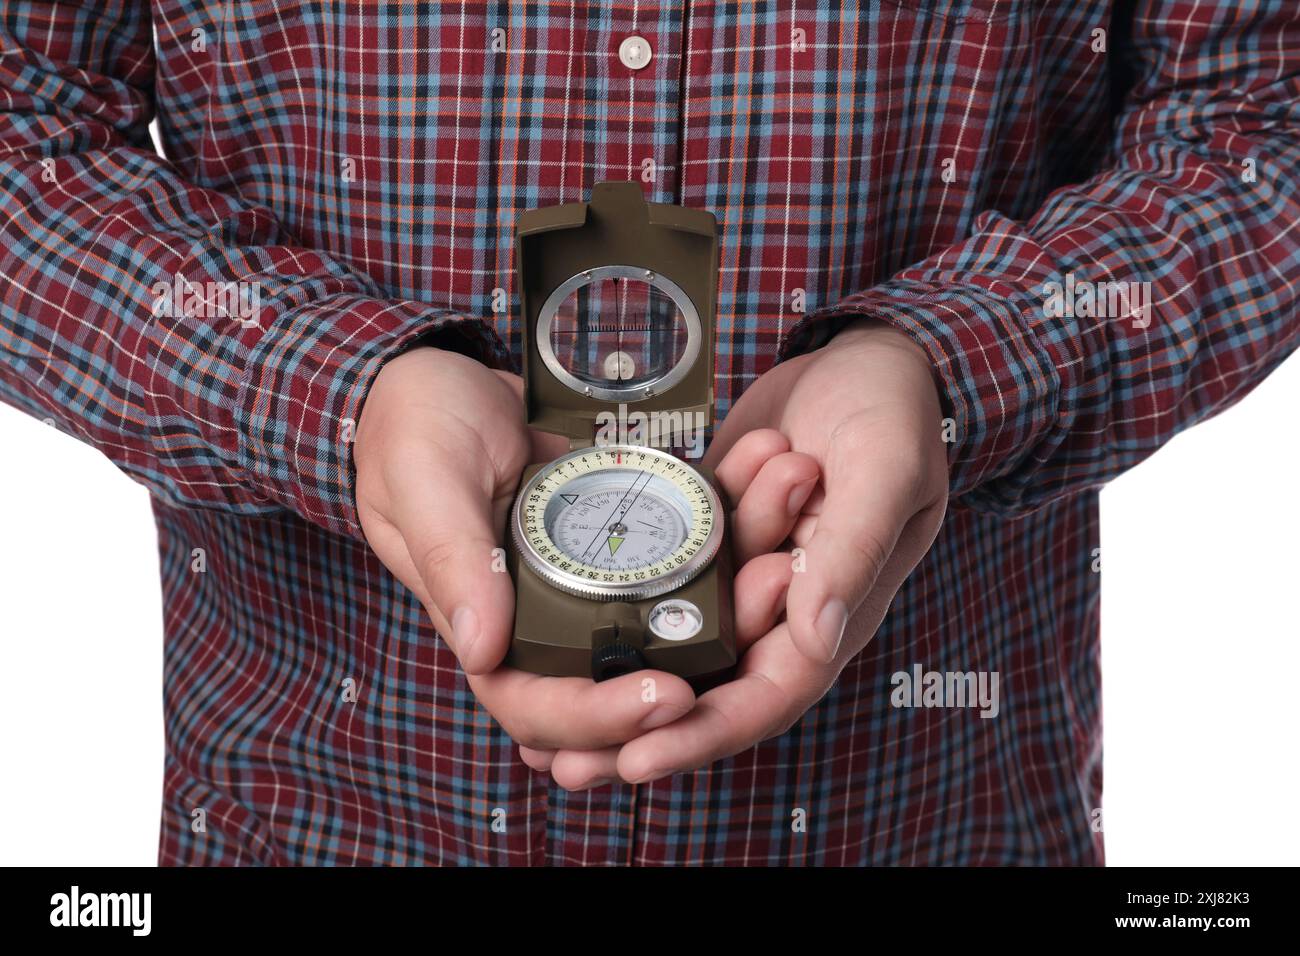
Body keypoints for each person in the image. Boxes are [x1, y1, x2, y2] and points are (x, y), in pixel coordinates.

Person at [1, 0, 1296, 866]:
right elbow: (21, 130)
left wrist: (955, 363)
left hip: (940, 815)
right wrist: (338, 392)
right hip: (310, 815)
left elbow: (1261, 123)